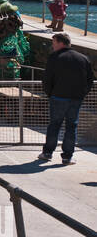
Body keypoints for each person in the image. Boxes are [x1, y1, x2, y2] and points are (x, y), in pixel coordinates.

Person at [39, 31, 94, 164]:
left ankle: (47, 153)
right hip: (76, 98)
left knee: (54, 125)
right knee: (71, 126)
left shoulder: (54, 57)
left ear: (61, 43)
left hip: (58, 97)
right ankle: (67, 156)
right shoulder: (83, 58)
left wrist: (50, 94)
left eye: (54, 43)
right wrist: (82, 94)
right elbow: (90, 80)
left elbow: (47, 79)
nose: (53, 46)